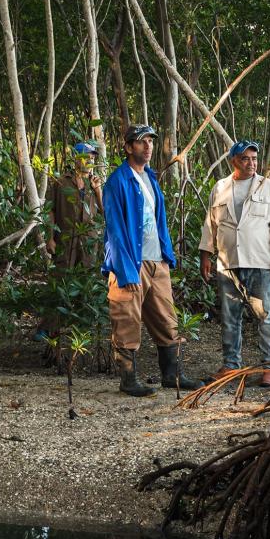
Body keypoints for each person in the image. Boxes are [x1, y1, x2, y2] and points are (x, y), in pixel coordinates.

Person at [102, 124, 202, 397]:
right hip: (130, 264)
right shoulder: (117, 181)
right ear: (128, 147)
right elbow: (115, 229)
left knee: (166, 318)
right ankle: (128, 379)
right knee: (126, 319)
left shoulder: (151, 178)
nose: (147, 146)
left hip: (156, 261)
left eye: (150, 141)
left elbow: (160, 222)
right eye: (141, 141)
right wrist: (124, 270)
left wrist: (166, 257)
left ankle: (171, 374)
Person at [199, 141, 270, 387]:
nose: (251, 163)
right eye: (245, 159)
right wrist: (206, 257)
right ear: (234, 161)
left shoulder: (268, 187)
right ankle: (231, 366)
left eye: (254, 158)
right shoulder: (220, 188)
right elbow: (210, 226)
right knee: (230, 318)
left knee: (266, 317)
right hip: (228, 262)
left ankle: (269, 367)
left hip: (261, 262)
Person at [34, 142, 103, 341]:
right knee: (59, 282)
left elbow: (105, 211)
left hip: (88, 241)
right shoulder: (60, 182)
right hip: (65, 239)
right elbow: (50, 211)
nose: (90, 161)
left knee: (85, 283)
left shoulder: (95, 182)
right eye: (86, 157)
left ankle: (80, 330)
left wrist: (98, 191)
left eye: (92, 158)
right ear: (76, 158)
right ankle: (47, 328)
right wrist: (50, 237)